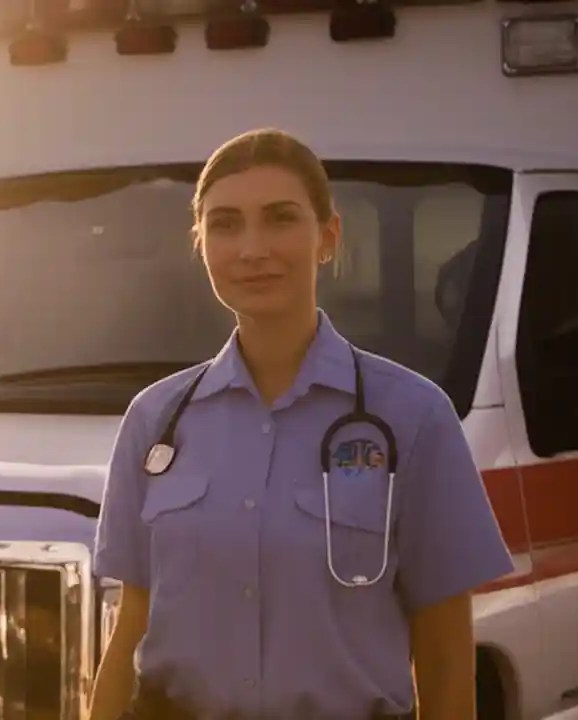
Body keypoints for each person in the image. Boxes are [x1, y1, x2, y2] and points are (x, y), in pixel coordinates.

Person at [87, 128, 514, 720]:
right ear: (201, 244)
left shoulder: (414, 418)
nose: (252, 248)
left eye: (280, 219)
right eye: (225, 224)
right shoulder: (156, 421)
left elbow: (444, 654)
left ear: (328, 238)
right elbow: (128, 633)